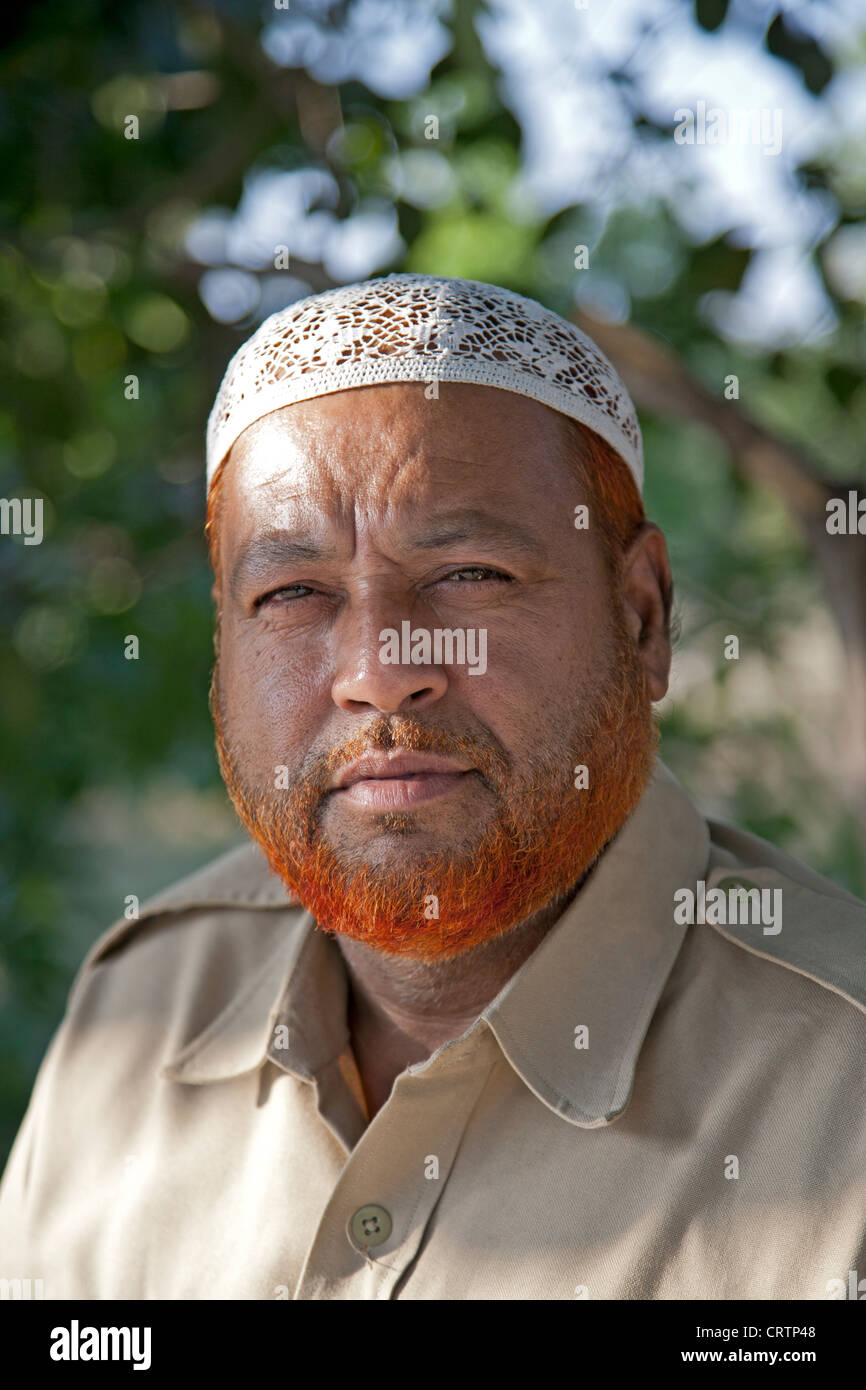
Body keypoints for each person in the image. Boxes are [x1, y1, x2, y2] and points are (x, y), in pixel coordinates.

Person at [1, 274, 864, 1301]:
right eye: (291, 592)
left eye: (469, 575)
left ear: (641, 617)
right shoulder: (136, 1007)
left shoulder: (840, 1092)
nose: (379, 668)